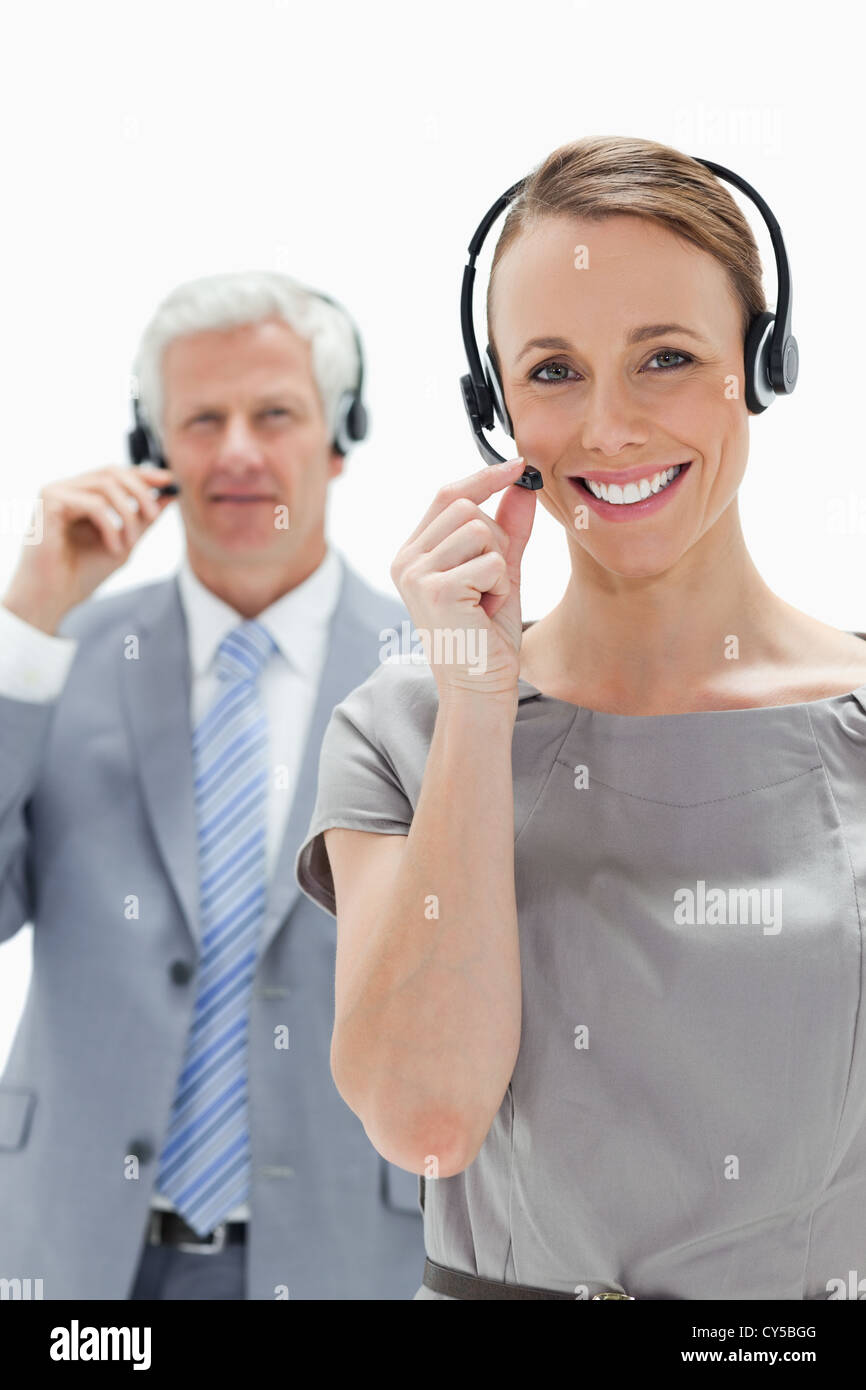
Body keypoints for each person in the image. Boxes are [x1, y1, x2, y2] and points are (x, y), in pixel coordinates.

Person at [295, 136, 866, 1300]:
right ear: (492, 405)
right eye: (552, 372)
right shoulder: (397, 725)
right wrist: (473, 702)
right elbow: (425, 1121)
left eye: (663, 357)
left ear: (758, 366)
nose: (607, 428)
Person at [0, 270, 424, 1299]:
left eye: (273, 412)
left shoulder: (431, 675)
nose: (235, 448)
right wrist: (22, 628)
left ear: (338, 435)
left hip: (344, 1256)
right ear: (156, 450)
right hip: (77, 1252)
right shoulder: (61, 655)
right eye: (200, 419)